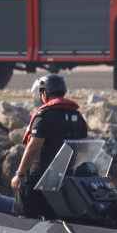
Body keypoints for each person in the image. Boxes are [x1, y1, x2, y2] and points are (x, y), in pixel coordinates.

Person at [10, 73, 88, 219]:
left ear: (44, 94)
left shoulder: (44, 116)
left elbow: (34, 148)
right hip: (65, 175)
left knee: (25, 217)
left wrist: (19, 174)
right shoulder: (77, 116)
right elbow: (84, 147)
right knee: (51, 217)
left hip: (39, 175)